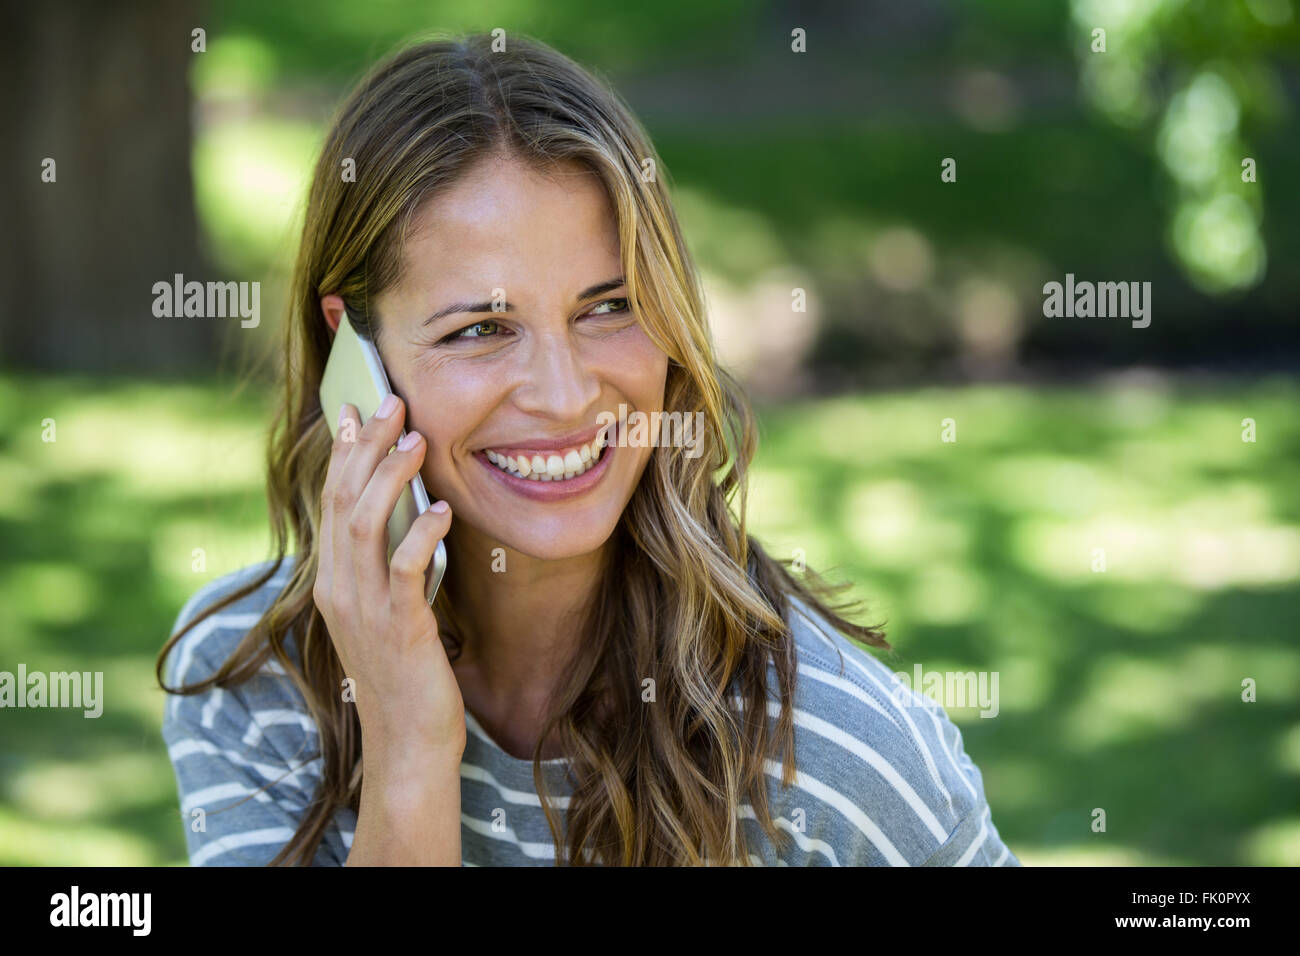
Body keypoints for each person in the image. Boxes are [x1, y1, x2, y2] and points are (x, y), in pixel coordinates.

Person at [157, 31, 1019, 867]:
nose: (566, 396)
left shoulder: (832, 753)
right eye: (482, 329)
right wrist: (409, 751)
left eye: (609, 308)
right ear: (356, 353)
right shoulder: (249, 684)